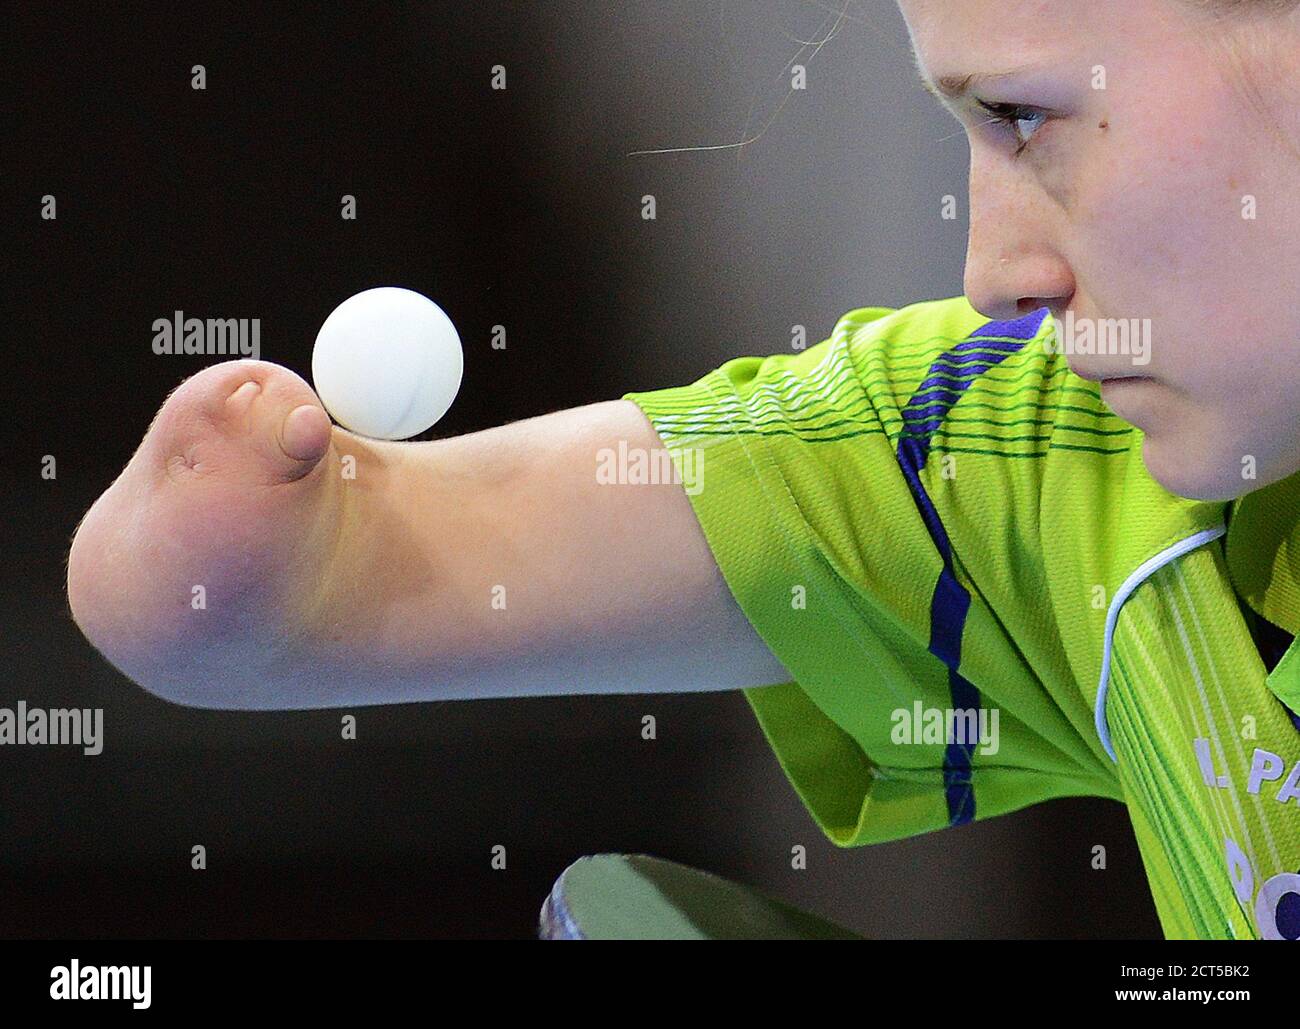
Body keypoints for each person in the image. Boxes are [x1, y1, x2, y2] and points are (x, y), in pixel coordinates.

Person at [66, 0, 1300, 939]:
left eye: (1022, 116)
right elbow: (341, 583)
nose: (995, 271)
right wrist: (236, 576)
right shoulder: (1056, 461)